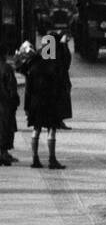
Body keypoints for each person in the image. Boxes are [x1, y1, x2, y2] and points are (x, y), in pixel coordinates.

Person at [19, 31, 72, 169]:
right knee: (51, 130)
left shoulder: (35, 60)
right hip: (51, 102)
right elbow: (65, 70)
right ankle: (52, 159)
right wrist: (63, 45)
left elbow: (25, 77)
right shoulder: (57, 62)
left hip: (36, 102)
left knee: (36, 130)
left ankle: (35, 159)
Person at [0, 46, 19, 166]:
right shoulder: (6, 68)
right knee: (6, 128)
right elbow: (12, 87)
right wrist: (15, 101)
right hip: (5, 103)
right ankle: (3, 153)